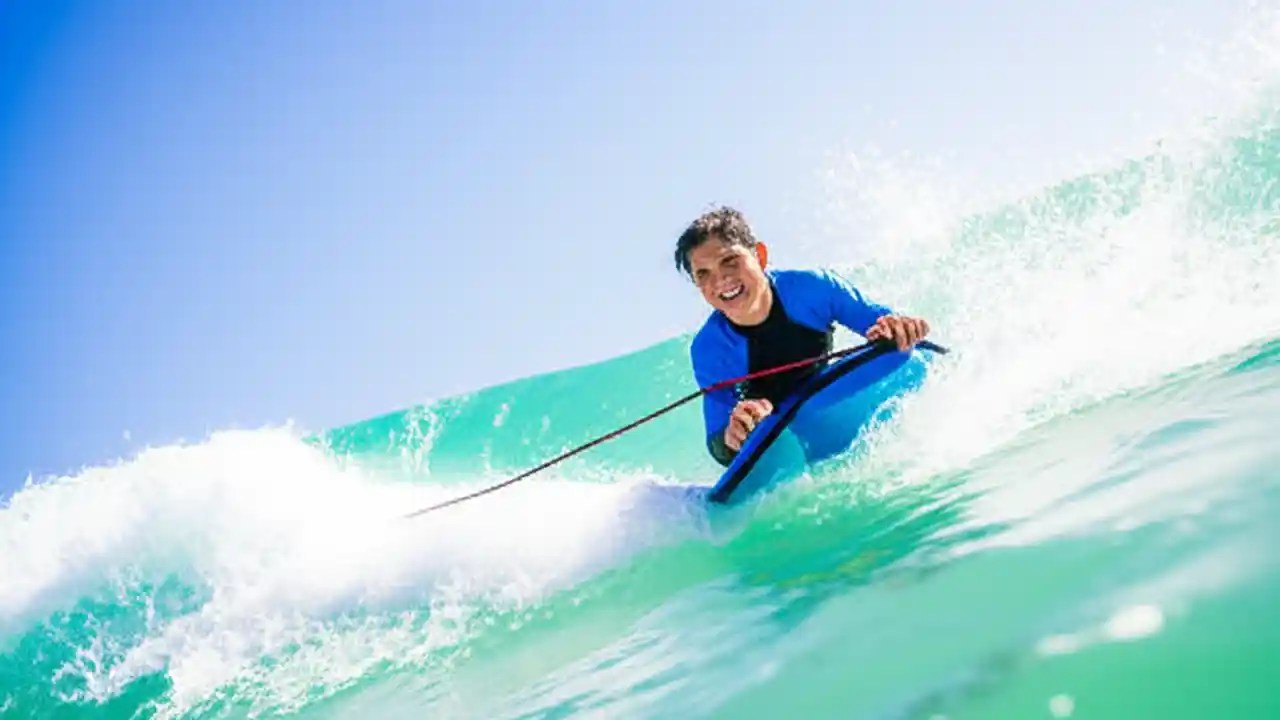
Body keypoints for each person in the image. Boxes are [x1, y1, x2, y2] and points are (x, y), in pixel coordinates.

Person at [676, 206, 931, 466]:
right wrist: (735, 436)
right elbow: (719, 443)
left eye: (730, 261)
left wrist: (896, 328)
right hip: (777, 428)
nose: (720, 281)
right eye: (703, 274)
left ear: (760, 256)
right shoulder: (709, 349)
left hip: (826, 396)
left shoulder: (813, 288)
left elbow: (880, 321)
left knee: (895, 348)